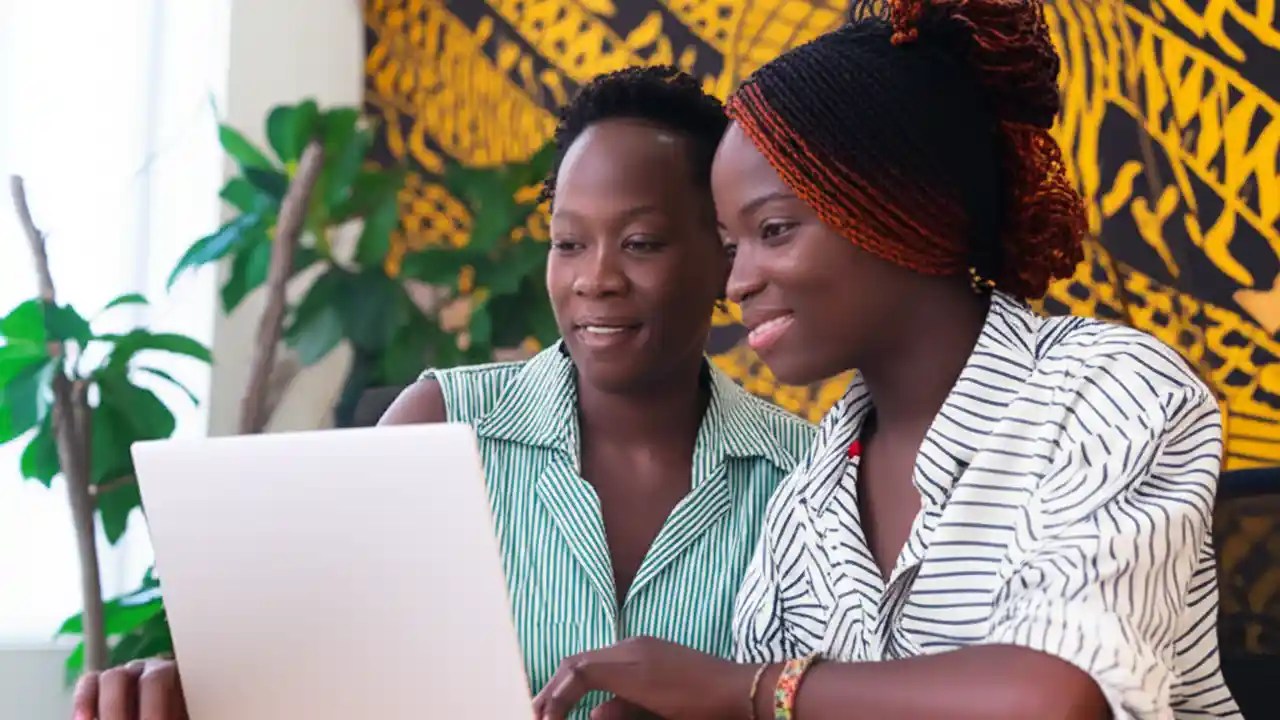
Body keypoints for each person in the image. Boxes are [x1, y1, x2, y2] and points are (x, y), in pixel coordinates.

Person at [530, 1, 1243, 718]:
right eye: (728, 245)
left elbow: (1054, 702)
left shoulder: (1103, 391)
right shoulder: (807, 498)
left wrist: (748, 690)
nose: (738, 280)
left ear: (891, 208)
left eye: (772, 230)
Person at [68, 66, 814, 720]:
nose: (595, 278)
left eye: (641, 242)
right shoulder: (441, 426)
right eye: (568, 242)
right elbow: (323, 667)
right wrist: (195, 691)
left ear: (725, 258)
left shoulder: (804, 475)